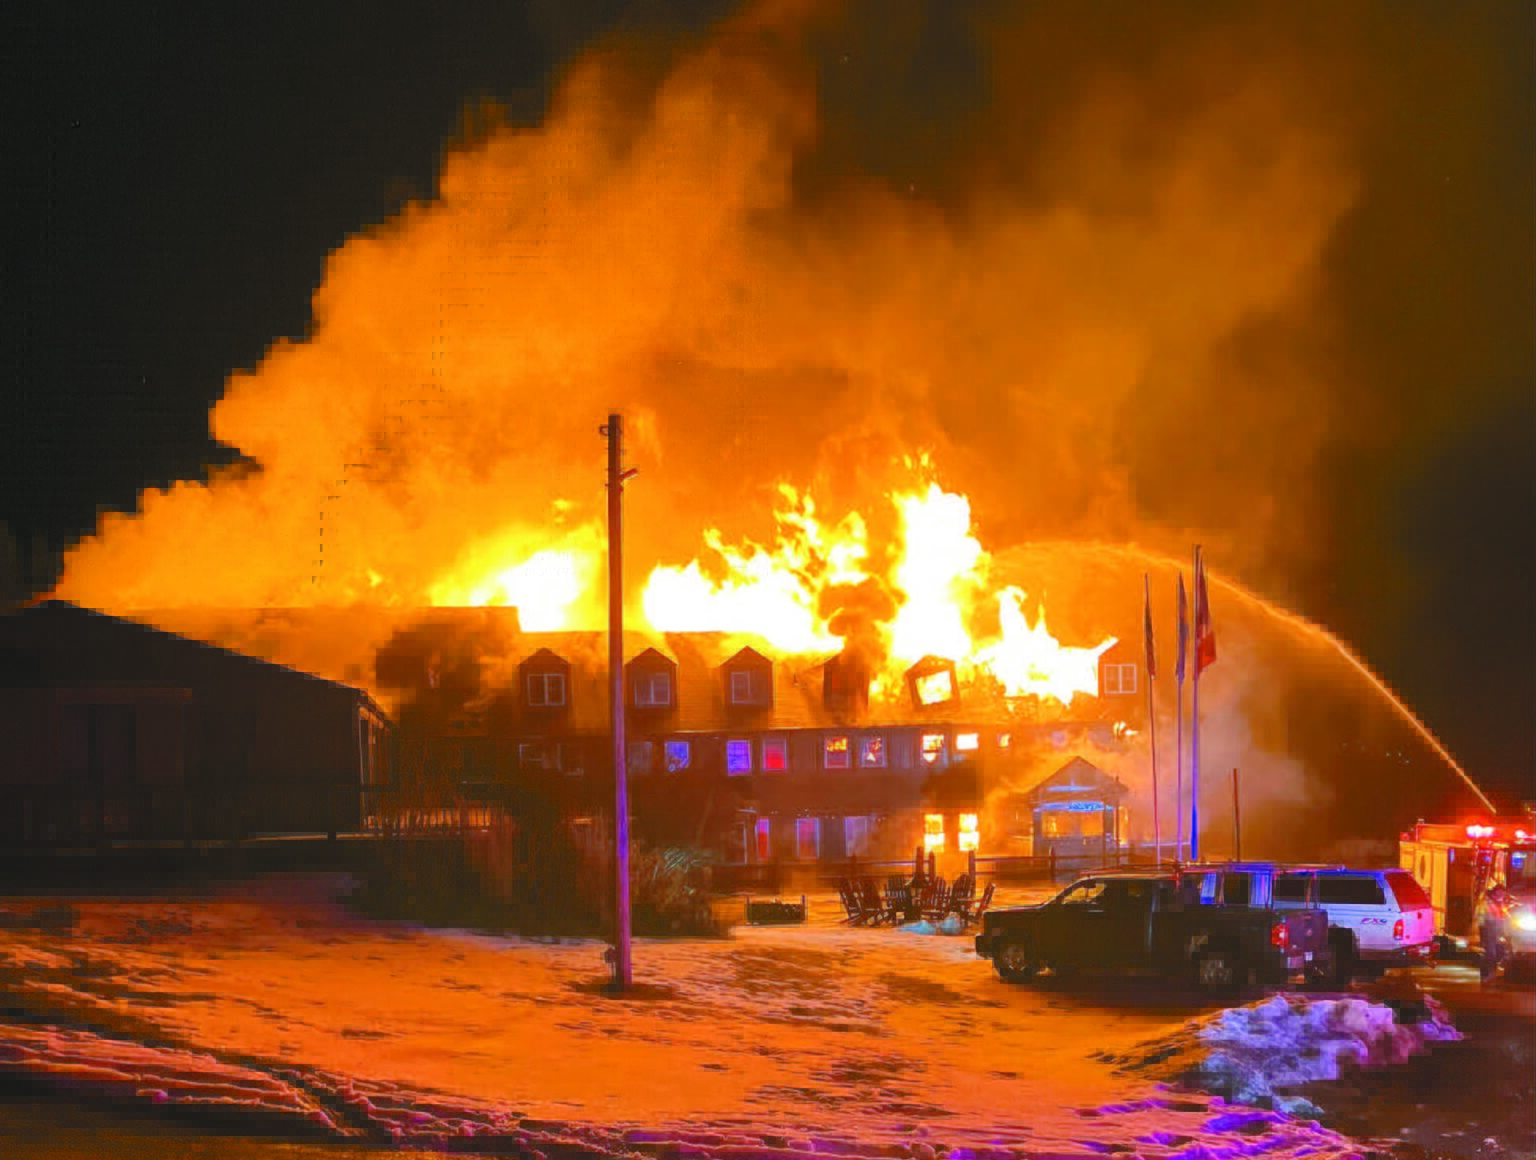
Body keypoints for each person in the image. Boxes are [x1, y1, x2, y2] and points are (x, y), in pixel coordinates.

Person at [1477, 879, 1511, 981]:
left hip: (1498, 931)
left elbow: (1504, 917)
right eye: (1499, 893)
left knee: (1500, 952)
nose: (1501, 896)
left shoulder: (1500, 903)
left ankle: (1492, 972)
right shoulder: (1487, 902)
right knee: (1491, 953)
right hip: (1489, 930)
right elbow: (1481, 918)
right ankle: (1488, 973)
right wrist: (1482, 930)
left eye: (1503, 894)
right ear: (1495, 892)